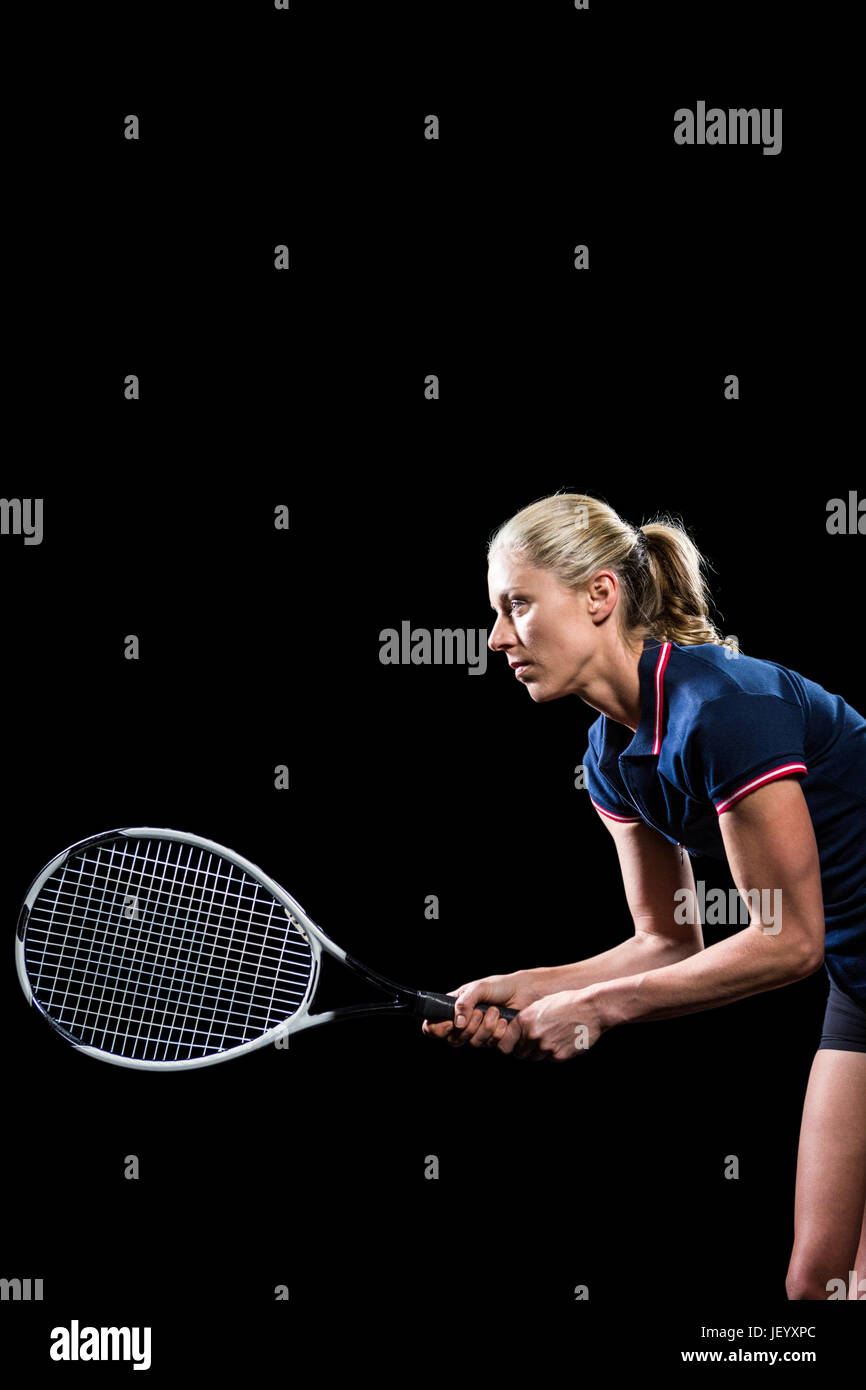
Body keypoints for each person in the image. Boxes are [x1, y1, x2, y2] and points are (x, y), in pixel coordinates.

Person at [423, 492, 866, 1302]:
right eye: (494, 611)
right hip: (860, 978)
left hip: (838, 959)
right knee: (820, 1283)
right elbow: (668, 938)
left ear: (600, 596)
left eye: (518, 604)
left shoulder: (722, 710)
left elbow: (788, 940)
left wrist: (599, 1010)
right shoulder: (609, 760)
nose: (496, 638)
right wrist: (527, 989)